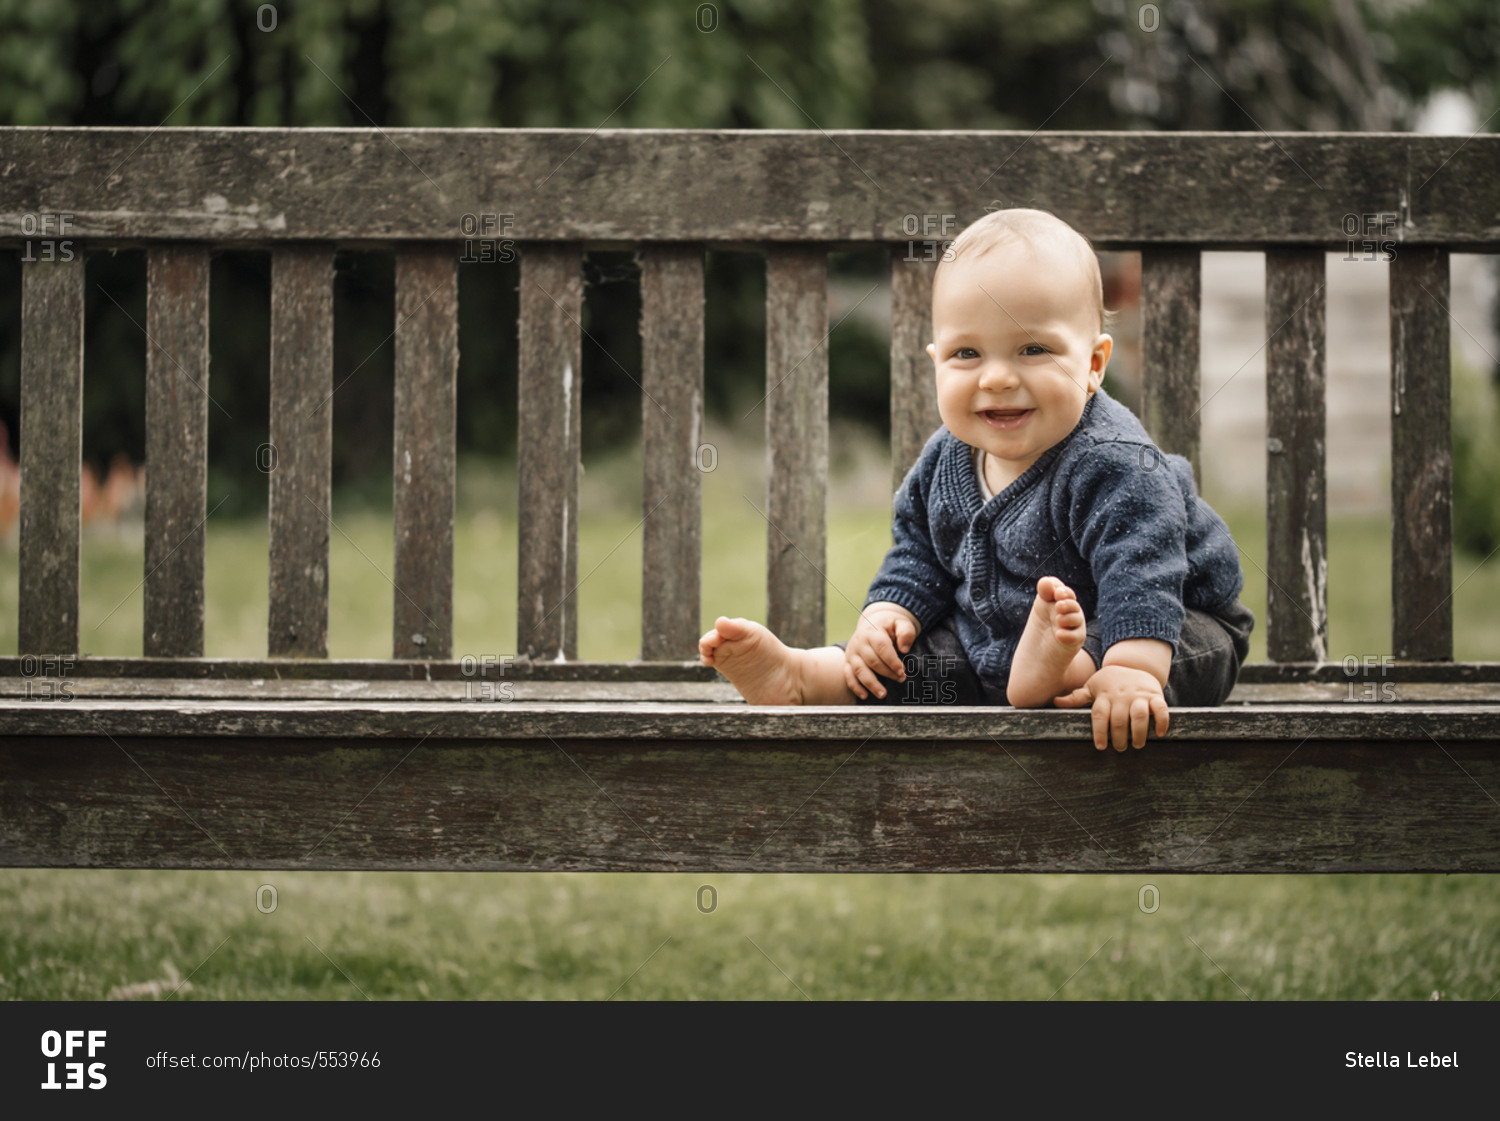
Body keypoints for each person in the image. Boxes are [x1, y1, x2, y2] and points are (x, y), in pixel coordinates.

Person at [700, 208, 1254, 751]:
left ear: (1093, 364)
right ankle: (810, 678)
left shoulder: (1116, 463)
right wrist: (889, 613)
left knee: (1180, 659)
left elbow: (1145, 571)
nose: (996, 377)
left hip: (1162, 625)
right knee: (914, 669)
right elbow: (920, 549)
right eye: (967, 353)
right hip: (994, 644)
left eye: (1033, 349)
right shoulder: (947, 457)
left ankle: (1066, 674)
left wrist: (1133, 669)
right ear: (936, 361)